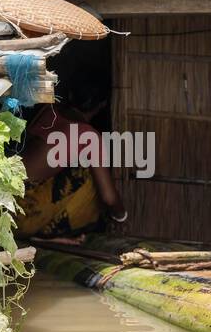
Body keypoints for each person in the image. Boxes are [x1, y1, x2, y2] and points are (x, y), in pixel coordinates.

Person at [14, 88, 127, 240]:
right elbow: (109, 197)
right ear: (102, 105)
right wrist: (121, 216)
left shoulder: (49, 111)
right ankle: (53, 234)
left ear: (71, 94)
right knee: (90, 175)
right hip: (24, 215)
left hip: (2, 206)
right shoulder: (88, 135)